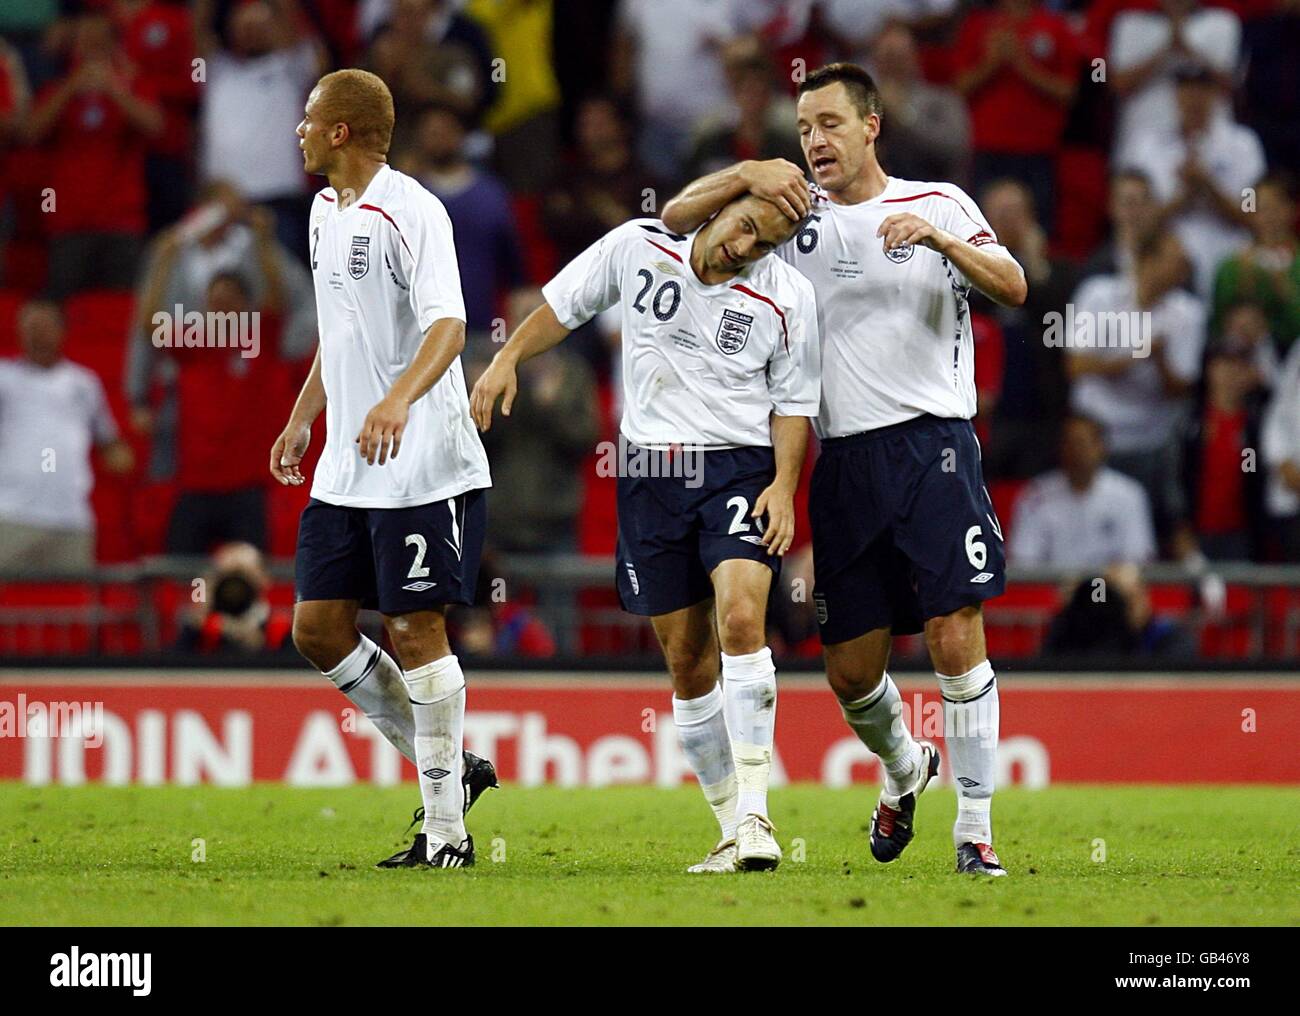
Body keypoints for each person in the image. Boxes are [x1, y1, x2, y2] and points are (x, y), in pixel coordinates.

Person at [662, 62, 1029, 878]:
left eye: (829, 124)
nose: (814, 142)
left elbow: (1014, 284)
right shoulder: (795, 217)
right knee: (851, 672)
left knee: (953, 629)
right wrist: (746, 173)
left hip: (935, 447)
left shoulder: (938, 204)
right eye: (801, 130)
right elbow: (682, 230)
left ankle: (974, 833)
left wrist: (940, 243)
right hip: (844, 461)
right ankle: (906, 770)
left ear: (871, 126)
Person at [471, 192, 821, 874]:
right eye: (745, 226)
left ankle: (756, 816)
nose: (746, 247)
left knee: (743, 618)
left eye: (765, 243)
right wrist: (508, 355)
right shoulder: (641, 244)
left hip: (737, 466)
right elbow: (564, 308)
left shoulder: (788, 296)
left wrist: (782, 485)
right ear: (722, 206)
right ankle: (728, 828)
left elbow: (794, 401)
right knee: (688, 662)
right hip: (649, 473)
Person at [273, 69, 495, 869]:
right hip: (345, 463)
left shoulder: (413, 210)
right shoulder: (320, 213)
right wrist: (304, 416)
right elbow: (342, 337)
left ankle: (446, 834)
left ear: (341, 131)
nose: (297, 130)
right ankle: (453, 771)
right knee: (317, 629)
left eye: (309, 118)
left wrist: (399, 400)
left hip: (419, 463)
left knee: (415, 629)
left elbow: (450, 324)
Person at [0, 300, 133, 573]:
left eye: (44, 328)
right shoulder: (4, 379)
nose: (37, 335)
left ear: (62, 332)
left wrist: (119, 455)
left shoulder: (85, 384)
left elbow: (108, 441)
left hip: (71, 519)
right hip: (12, 513)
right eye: (30, 328)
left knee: (74, 609)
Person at [1009, 414, 1156, 569]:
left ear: (1101, 447)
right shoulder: (1035, 494)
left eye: (1082, 443)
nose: (1076, 451)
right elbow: (1023, 559)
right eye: (1069, 444)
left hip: (1107, 588)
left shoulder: (1129, 494)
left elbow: (1137, 557)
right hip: (1052, 588)